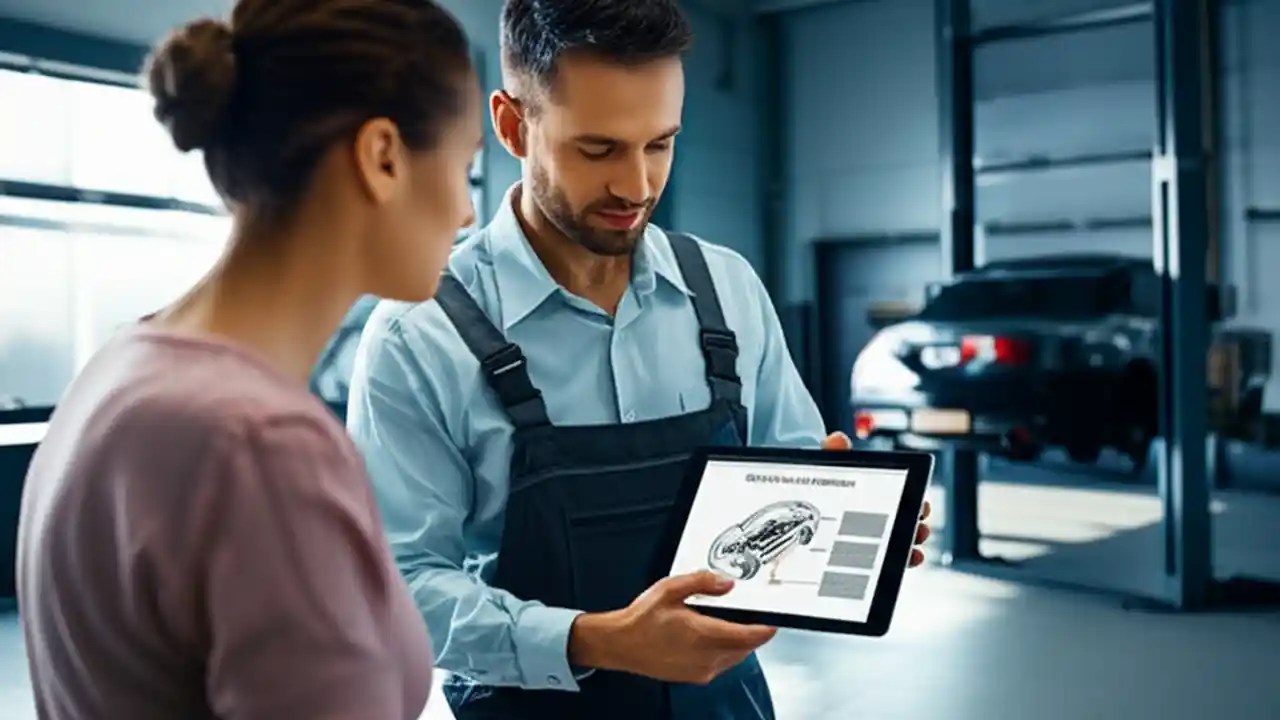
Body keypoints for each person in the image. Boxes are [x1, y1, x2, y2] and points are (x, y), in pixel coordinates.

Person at [347, 1, 933, 718]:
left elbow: (792, 463)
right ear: (512, 126)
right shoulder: (419, 334)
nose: (637, 186)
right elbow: (396, 587)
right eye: (598, 149)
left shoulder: (728, 290)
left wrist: (850, 533)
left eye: (660, 144)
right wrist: (597, 641)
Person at [16, 1, 480, 718]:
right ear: (382, 156)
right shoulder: (261, 447)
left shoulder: (122, 367)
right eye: (465, 165)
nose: (467, 213)